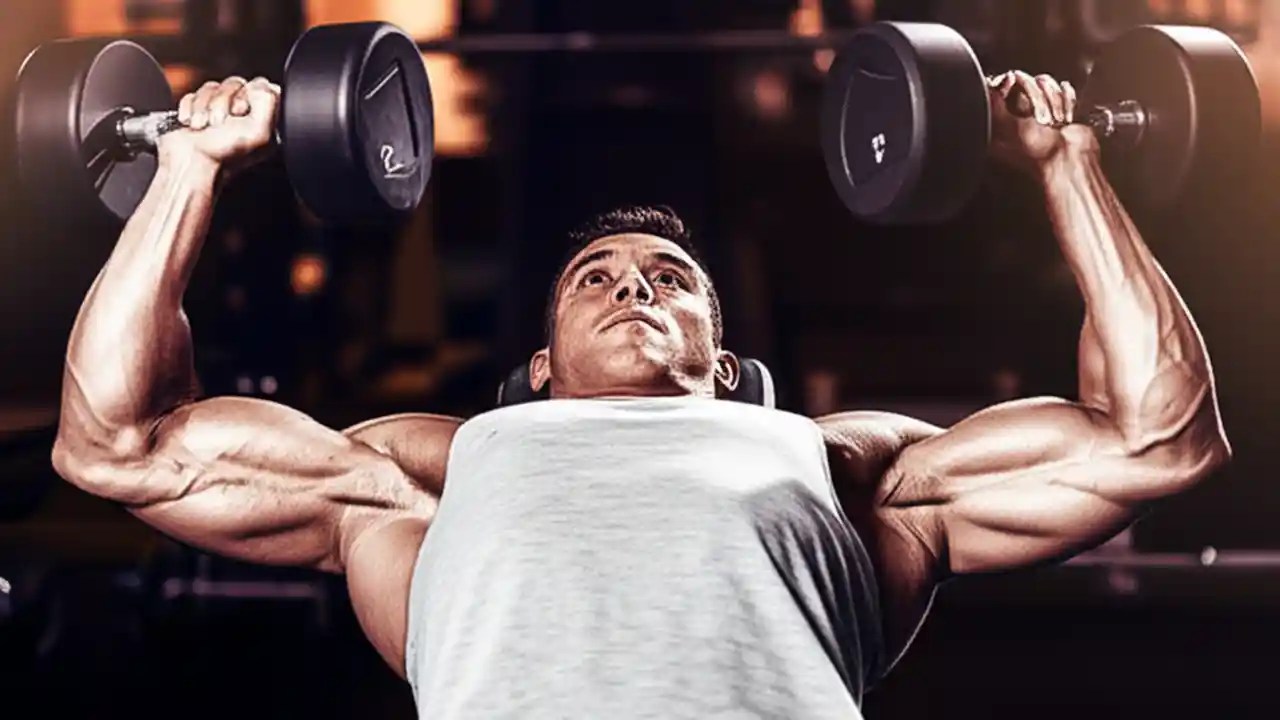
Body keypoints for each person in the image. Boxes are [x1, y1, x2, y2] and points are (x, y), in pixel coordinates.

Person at [51, 70, 1230, 719]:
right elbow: (116, 446)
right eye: (594, 278)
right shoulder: (430, 474)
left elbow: (1157, 440)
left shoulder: (833, 462)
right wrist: (186, 171)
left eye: (669, 277)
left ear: (723, 363)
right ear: (541, 369)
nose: (633, 287)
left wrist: (1070, 165)